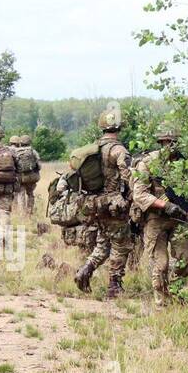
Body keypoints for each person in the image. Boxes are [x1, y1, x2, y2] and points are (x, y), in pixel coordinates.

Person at [129, 126, 188, 307]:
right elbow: (140, 194)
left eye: (174, 142)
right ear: (161, 142)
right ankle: (162, 302)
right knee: (161, 264)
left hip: (180, 218)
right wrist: (165, 205)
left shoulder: (184, 164)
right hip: (155, 219)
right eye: (167, 142)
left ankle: (175, 291)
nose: (171, 146)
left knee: (186, 258)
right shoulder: (148, 163)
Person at [73, 107, 133, 298]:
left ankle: (85, 270)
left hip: (95, 204)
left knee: (102, 243)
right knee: (120, 245)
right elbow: (129, 178)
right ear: (119, 129)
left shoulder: (94, 148)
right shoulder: (118, 150)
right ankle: (114, 286)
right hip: (114, 204)